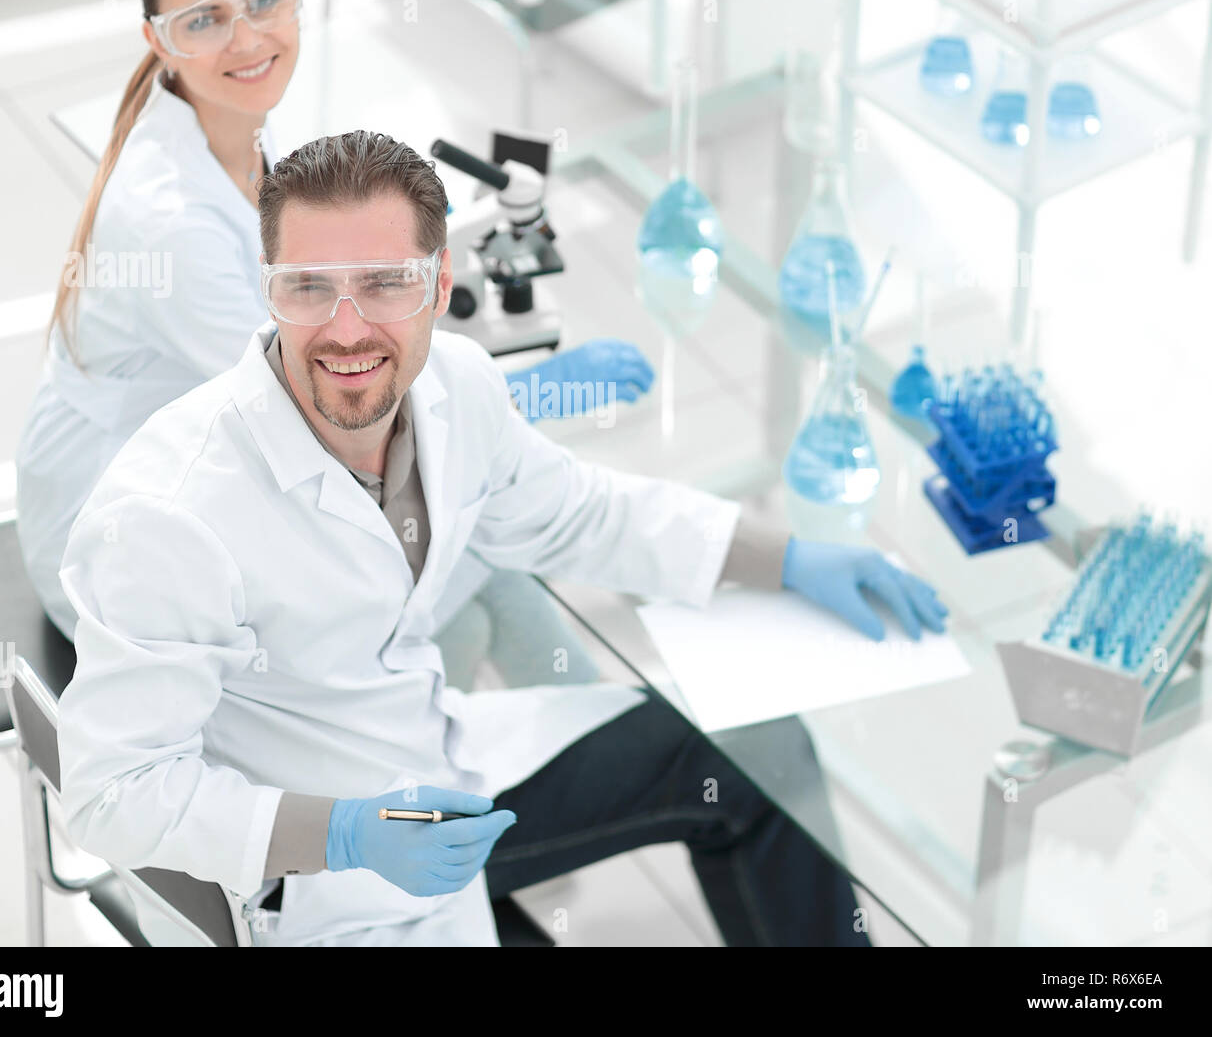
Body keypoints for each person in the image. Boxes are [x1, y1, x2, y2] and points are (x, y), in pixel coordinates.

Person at [56, 130, 949, 947]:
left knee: (759, 754)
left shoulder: (458, 386)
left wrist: (783, 557)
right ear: (269, 290)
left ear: (441, 286)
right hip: (318, 889)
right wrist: (340, 832)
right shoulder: (172, 514)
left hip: (449, 768)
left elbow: (580, 515)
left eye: (385, 282)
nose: (346, 326)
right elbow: (110, 795)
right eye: (309, 287)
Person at [14, 0, 650, 687]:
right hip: (122, 557)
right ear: (160, 40)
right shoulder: (170, 229)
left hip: (208, 486)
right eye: (205, 20)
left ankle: (591, 753)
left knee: (465, 580)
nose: (249, 38)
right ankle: (584, 761)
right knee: (453, 573)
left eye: (264, 0)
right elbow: (318, 411)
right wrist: (522, 393)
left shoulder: (237, 125)